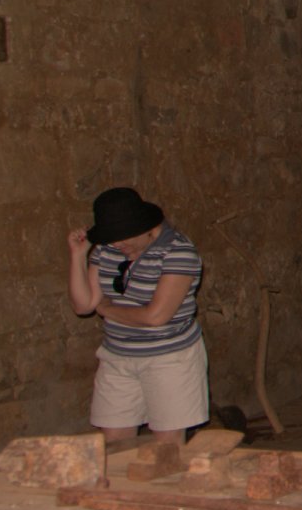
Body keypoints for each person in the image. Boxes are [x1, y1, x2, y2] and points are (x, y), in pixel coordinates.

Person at [66, 186, 207, 452]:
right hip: (118, 356)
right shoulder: (107, 250)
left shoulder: (178, 252)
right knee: (115, 445)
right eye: (112, 238)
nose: (118, 244)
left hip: (168, 357)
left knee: (168, 448)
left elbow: (156, 316)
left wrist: (107, 310)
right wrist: (78, 256)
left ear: (147, 227)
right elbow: (83, 305)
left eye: (124, 237)